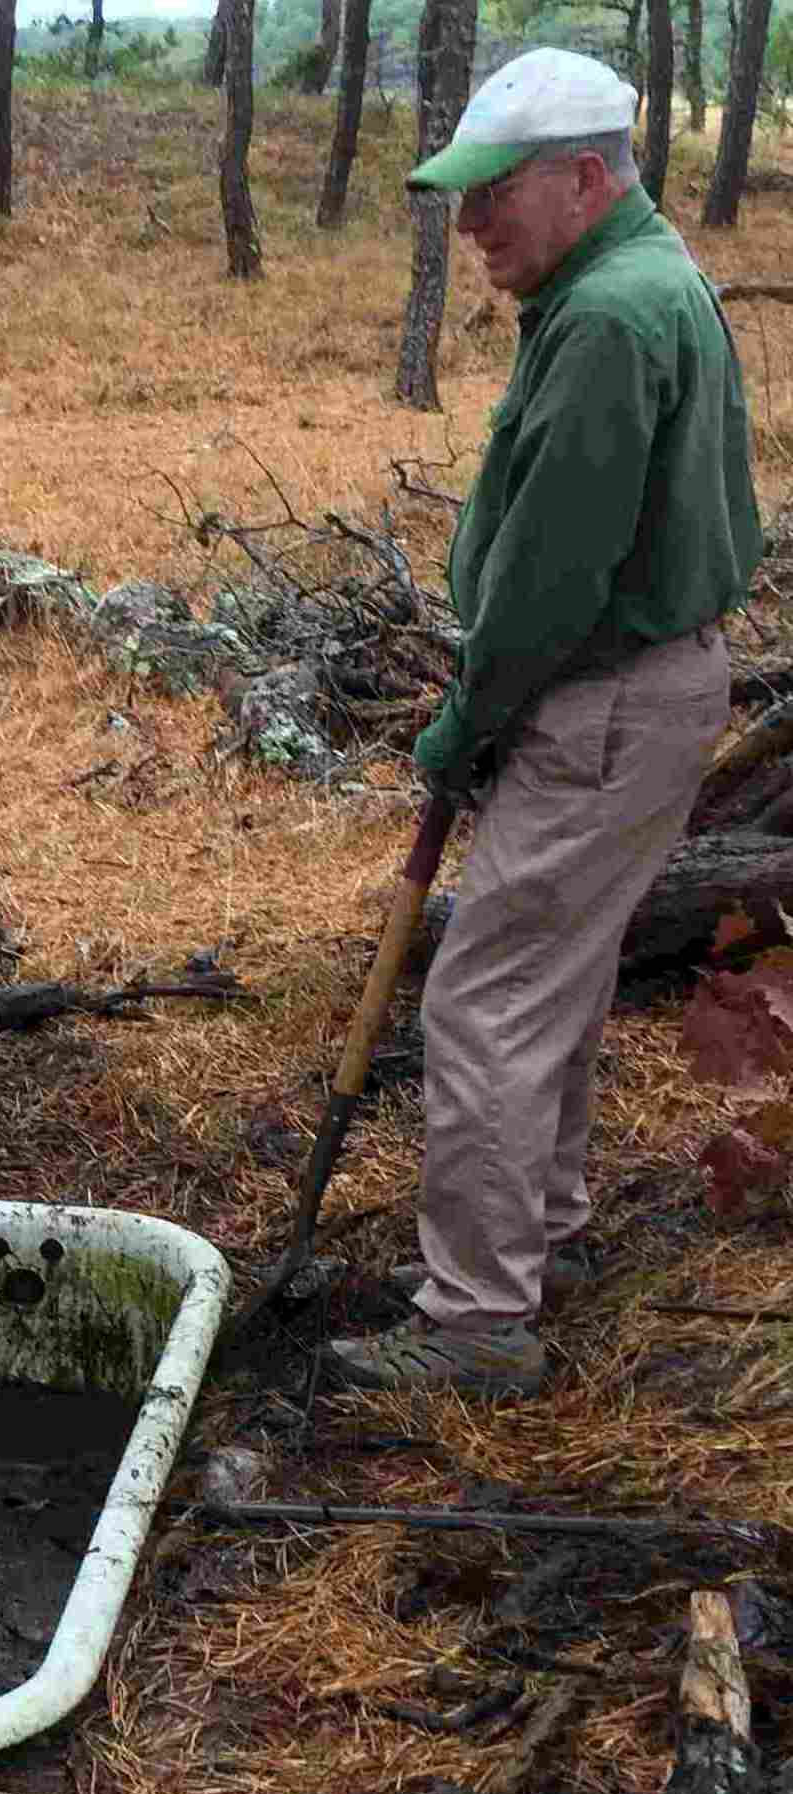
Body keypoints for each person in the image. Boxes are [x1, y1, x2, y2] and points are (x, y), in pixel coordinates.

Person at [326, 49, 762, 1400]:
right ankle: (539, 1239)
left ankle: (474, 1320)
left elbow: (552, 577)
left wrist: (470, 716)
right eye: (461, 198)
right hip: (637, 688)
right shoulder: (642, 277)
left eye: (492, 193)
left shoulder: (609, 319)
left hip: (602, 696)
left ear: (584, 177)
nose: (469, 225)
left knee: (488, 998)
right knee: (549, 980)